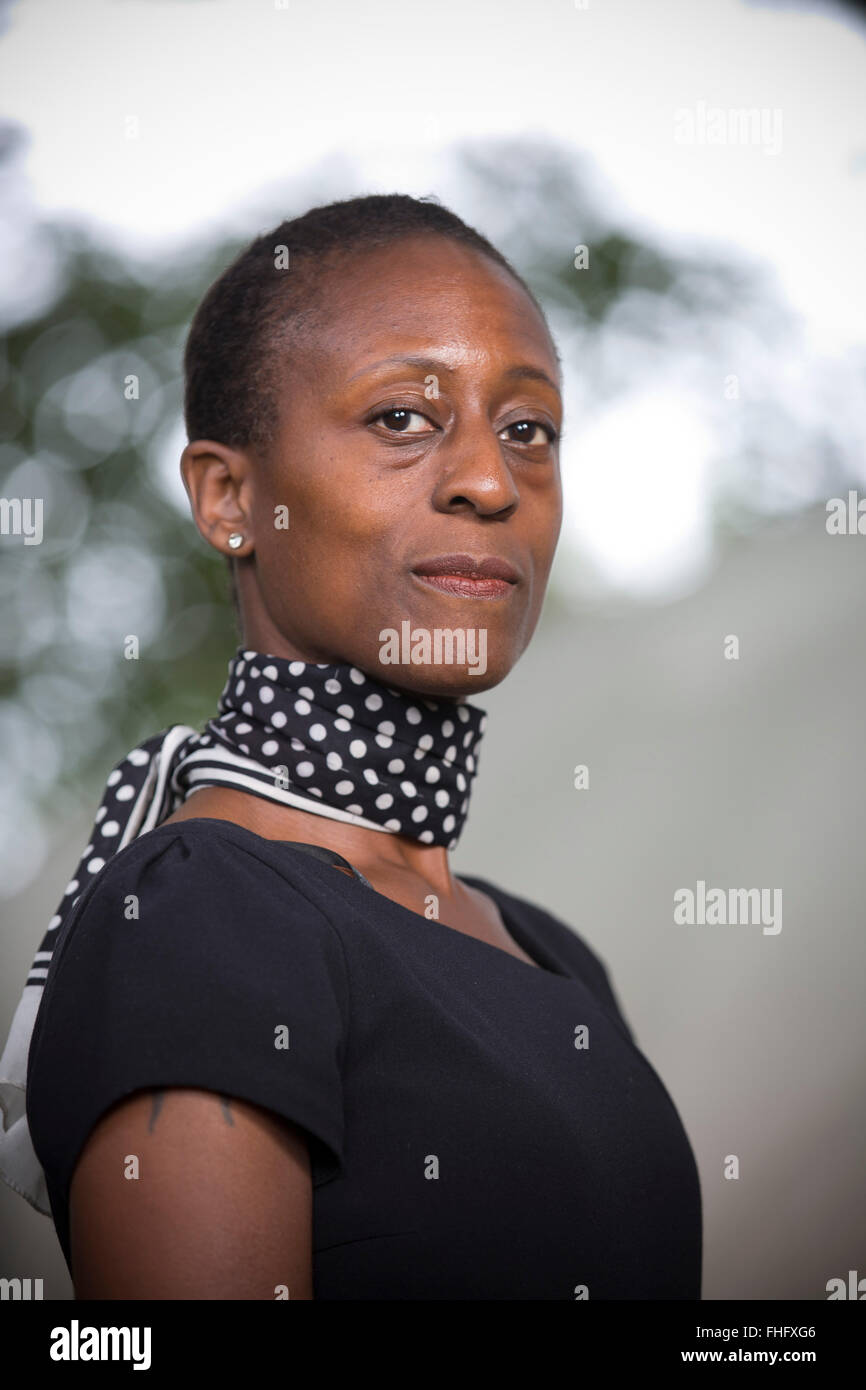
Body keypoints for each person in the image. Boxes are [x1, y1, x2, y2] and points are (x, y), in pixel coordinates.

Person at [0, 193, 702, 1299]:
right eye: (400, 419)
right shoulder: (203, 910)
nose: (488, 479)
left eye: (527, 428)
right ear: (229, 496)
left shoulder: (553, 955)